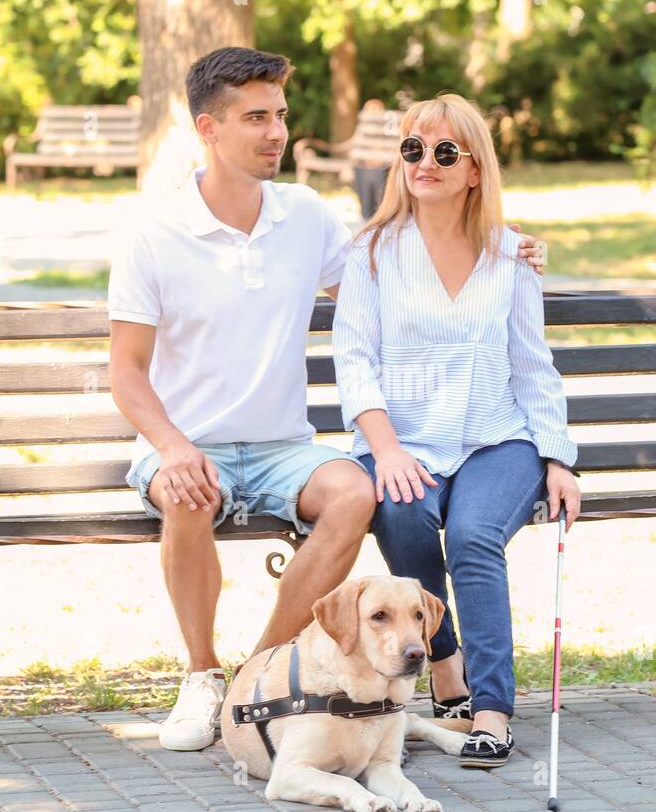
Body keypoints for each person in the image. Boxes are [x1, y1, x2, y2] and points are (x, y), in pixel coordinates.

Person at [107, 49, 547, 752]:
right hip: (189, 445)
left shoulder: (306, 216)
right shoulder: (154, 232)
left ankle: (259, 671)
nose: (277, 131)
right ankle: (201, 675)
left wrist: (502, 251)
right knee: (189, 490)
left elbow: (393, 292)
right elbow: (126, 372)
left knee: (355, 491)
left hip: (283, 445)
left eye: (280, 114)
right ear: (209, 128)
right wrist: (173, 445)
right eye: (257, 117)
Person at [332, 92, 582, 769]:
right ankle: (445, 665)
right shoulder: (372, 253)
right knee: (407, 519)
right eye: (413, 148)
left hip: (496, 440)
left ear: (475, 169)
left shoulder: (510, 255)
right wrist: (384, 448)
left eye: (445, 151)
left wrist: (559, 457)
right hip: (403, 442)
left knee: (472, 536)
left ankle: (491, 709)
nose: (426, 162)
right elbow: (353, 361)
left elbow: (534, 367)